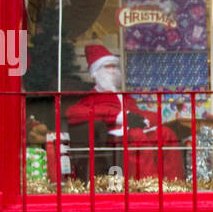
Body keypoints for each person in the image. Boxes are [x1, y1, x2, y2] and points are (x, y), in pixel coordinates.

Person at [64, 44, 183, 182]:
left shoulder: (124, 97)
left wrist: (146, 118)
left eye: (115, 67)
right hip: (111, 139)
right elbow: (72, 113)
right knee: (136, 136)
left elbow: (137, 113)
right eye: (108, 67)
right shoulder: (92, 98)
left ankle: (174, 184)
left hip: (133, 133)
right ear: (94, 73)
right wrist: (119, 117)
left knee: (166, 134)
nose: (113, 70)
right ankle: (146, 185)